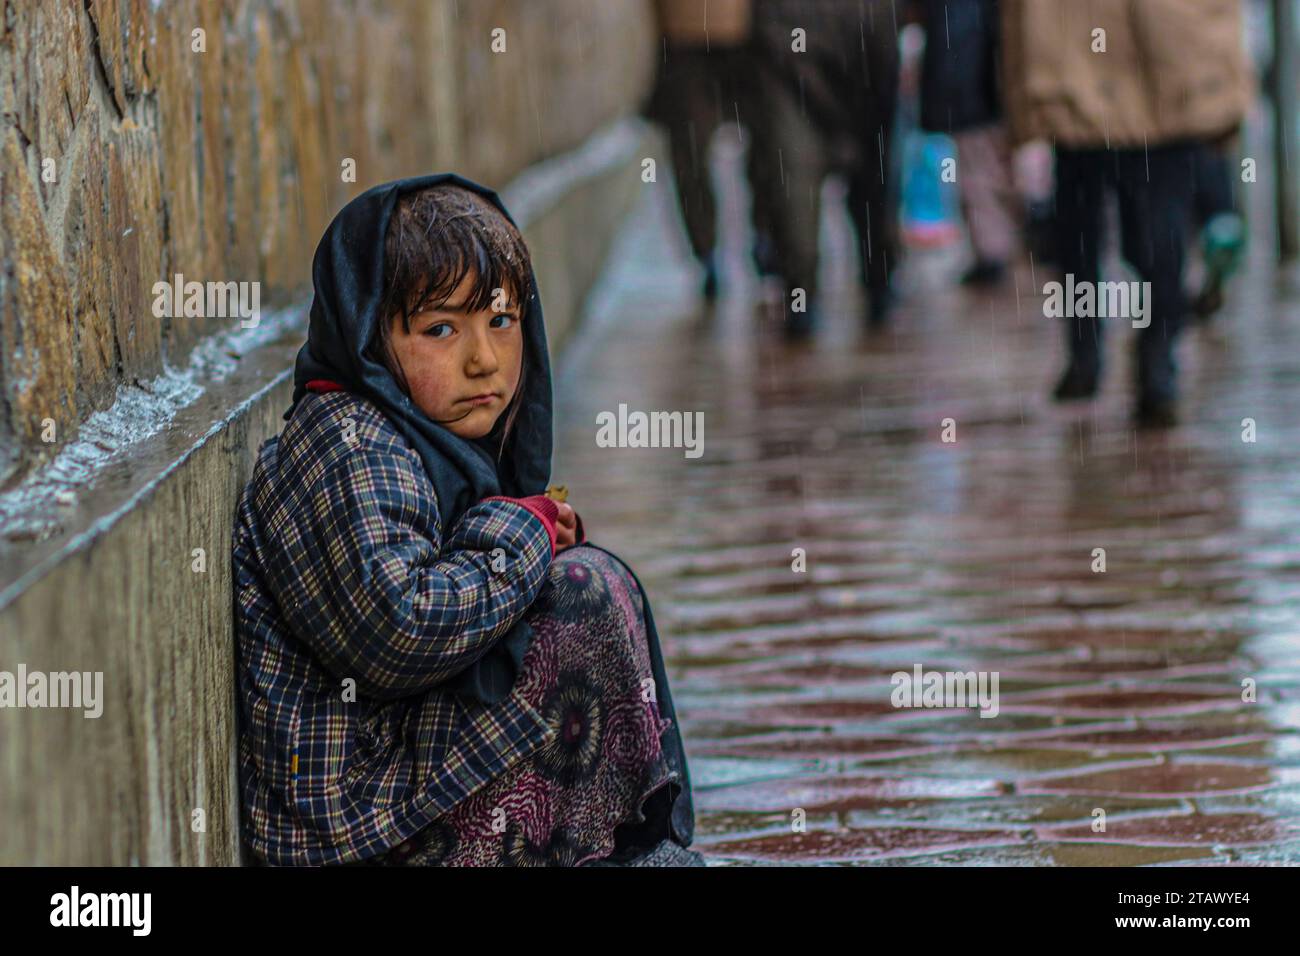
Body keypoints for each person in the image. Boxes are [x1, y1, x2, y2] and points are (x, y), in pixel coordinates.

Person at [232, 175, 699, 867]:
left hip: (394, 789)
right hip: (357, 827)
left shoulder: (412, 432)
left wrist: (523, 531)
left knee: (582, 584)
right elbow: (399, 626)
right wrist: (523, 534)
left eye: (501, 321)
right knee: (580, 596)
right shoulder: (351, 443)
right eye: (441, 328)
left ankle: (623, 849)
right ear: (368, 334)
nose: (482, 358)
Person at [1001, 0, 1252, 427]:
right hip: (1158, 80)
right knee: (1151, 235)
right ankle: (1152, 361)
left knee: (1090, 234)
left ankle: (1096, 355)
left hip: (1090, 79)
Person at [750, 0, 903, 337]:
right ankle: (873, 284)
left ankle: (809, 294)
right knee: (866, 173)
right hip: (850, 32)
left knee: (798, 175)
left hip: (798, 34)